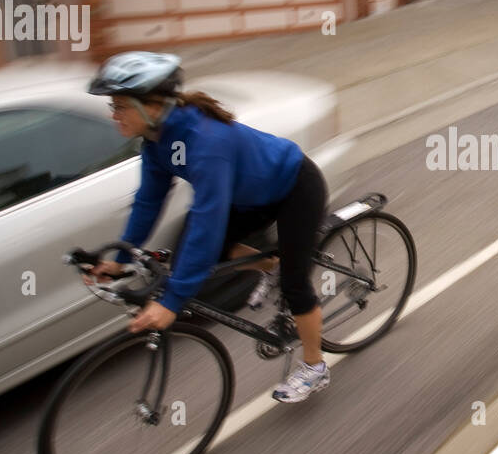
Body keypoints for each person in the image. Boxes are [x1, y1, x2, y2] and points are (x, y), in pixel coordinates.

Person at [85, 51, 331, 403]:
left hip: (293, 186)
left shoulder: (206, 141)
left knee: (296, 287)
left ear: (151, 105)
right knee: (209, 250)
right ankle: (271, 267)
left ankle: (315, 367)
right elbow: (149, 201)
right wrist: (121, 256)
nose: (114, 116)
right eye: (113, 106)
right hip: (251, 196)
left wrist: (172, 301)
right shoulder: (157, 142)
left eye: (121, 106)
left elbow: (207, 220)